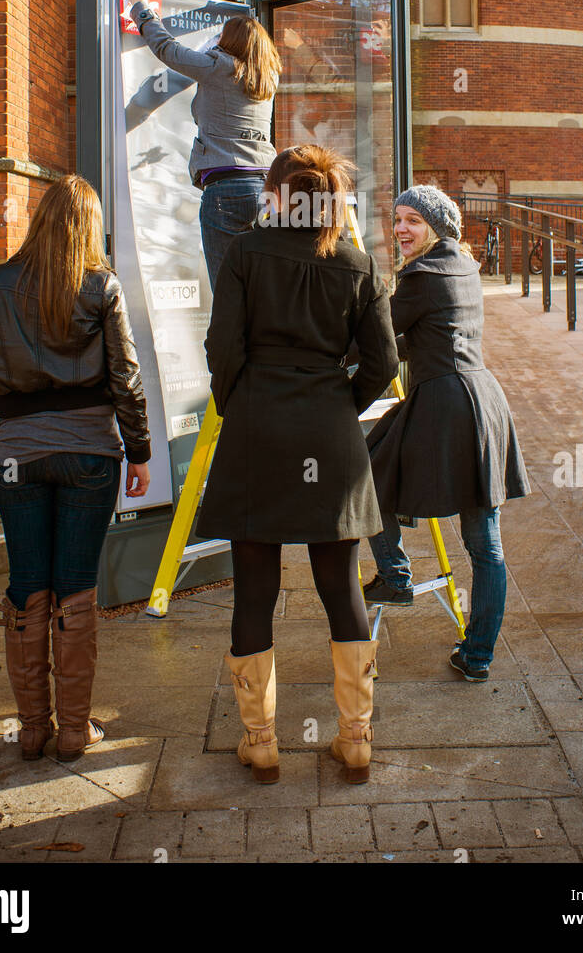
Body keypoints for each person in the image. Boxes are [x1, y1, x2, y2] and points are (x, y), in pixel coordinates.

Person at [196, 145, 399, 784]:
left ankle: (260, 742)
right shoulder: (359, 263)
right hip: (328, 434)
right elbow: (385, 363)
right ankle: (356, 739)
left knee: (254, 588)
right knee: (341, 586)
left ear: (277, 194)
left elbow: (221, 346)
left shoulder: (245, 253)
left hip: (257, 428)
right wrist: (340, 403)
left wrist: (239, 402)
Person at [0, 175, 151, 763]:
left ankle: (31, 729)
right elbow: (126, 376)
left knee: (26, 585)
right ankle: (74, 729)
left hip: (17, 457)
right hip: (91, 453)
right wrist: (138, 450)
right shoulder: (101, 286)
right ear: (88, 227)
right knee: (76, 588)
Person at [363, 185, 530, 681]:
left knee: (365, 474)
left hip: (445, 403)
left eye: (413, 220)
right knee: (485, 542)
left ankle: (394, 576)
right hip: (483, 400)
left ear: (434, 225)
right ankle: (477, 656)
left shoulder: (419, 275)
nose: (401, 230)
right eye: (397, 220)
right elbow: (431, 333)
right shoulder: (462, 266)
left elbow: (381, 339)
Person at [125, 0, 282, 289]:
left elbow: (168, 49)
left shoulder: (218, 66)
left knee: (227, 289)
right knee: (260, 286)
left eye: (221, 38)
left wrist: (141, 9)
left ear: (230, 43)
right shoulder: (268, 78)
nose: (216, 43)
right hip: (266, 189)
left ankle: (229, 339)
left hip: (226, 190)